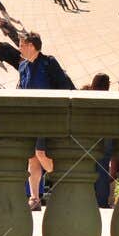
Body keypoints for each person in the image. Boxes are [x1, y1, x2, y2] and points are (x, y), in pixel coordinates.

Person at [18, 33, 74, 209]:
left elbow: (64, 86)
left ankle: (61, 182)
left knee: (41, 153)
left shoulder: (49, 62)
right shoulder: (23, 66)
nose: (19, 48)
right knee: (32, 159)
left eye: (21, 45)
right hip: (29, 118)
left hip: (47, 117)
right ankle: (34, 198)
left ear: (31, 46)